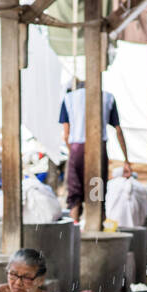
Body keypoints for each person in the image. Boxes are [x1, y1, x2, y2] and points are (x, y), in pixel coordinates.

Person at [59, 81, 132, 223]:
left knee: (75, 198)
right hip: (98, 150)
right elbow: (118, 130)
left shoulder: (69, 98)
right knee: (96, 196)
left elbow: (66, 134)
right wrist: (126, 159)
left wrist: (73, 155)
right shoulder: (107, 98)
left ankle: (75, 233)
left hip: (77, 149)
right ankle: (97, 234)